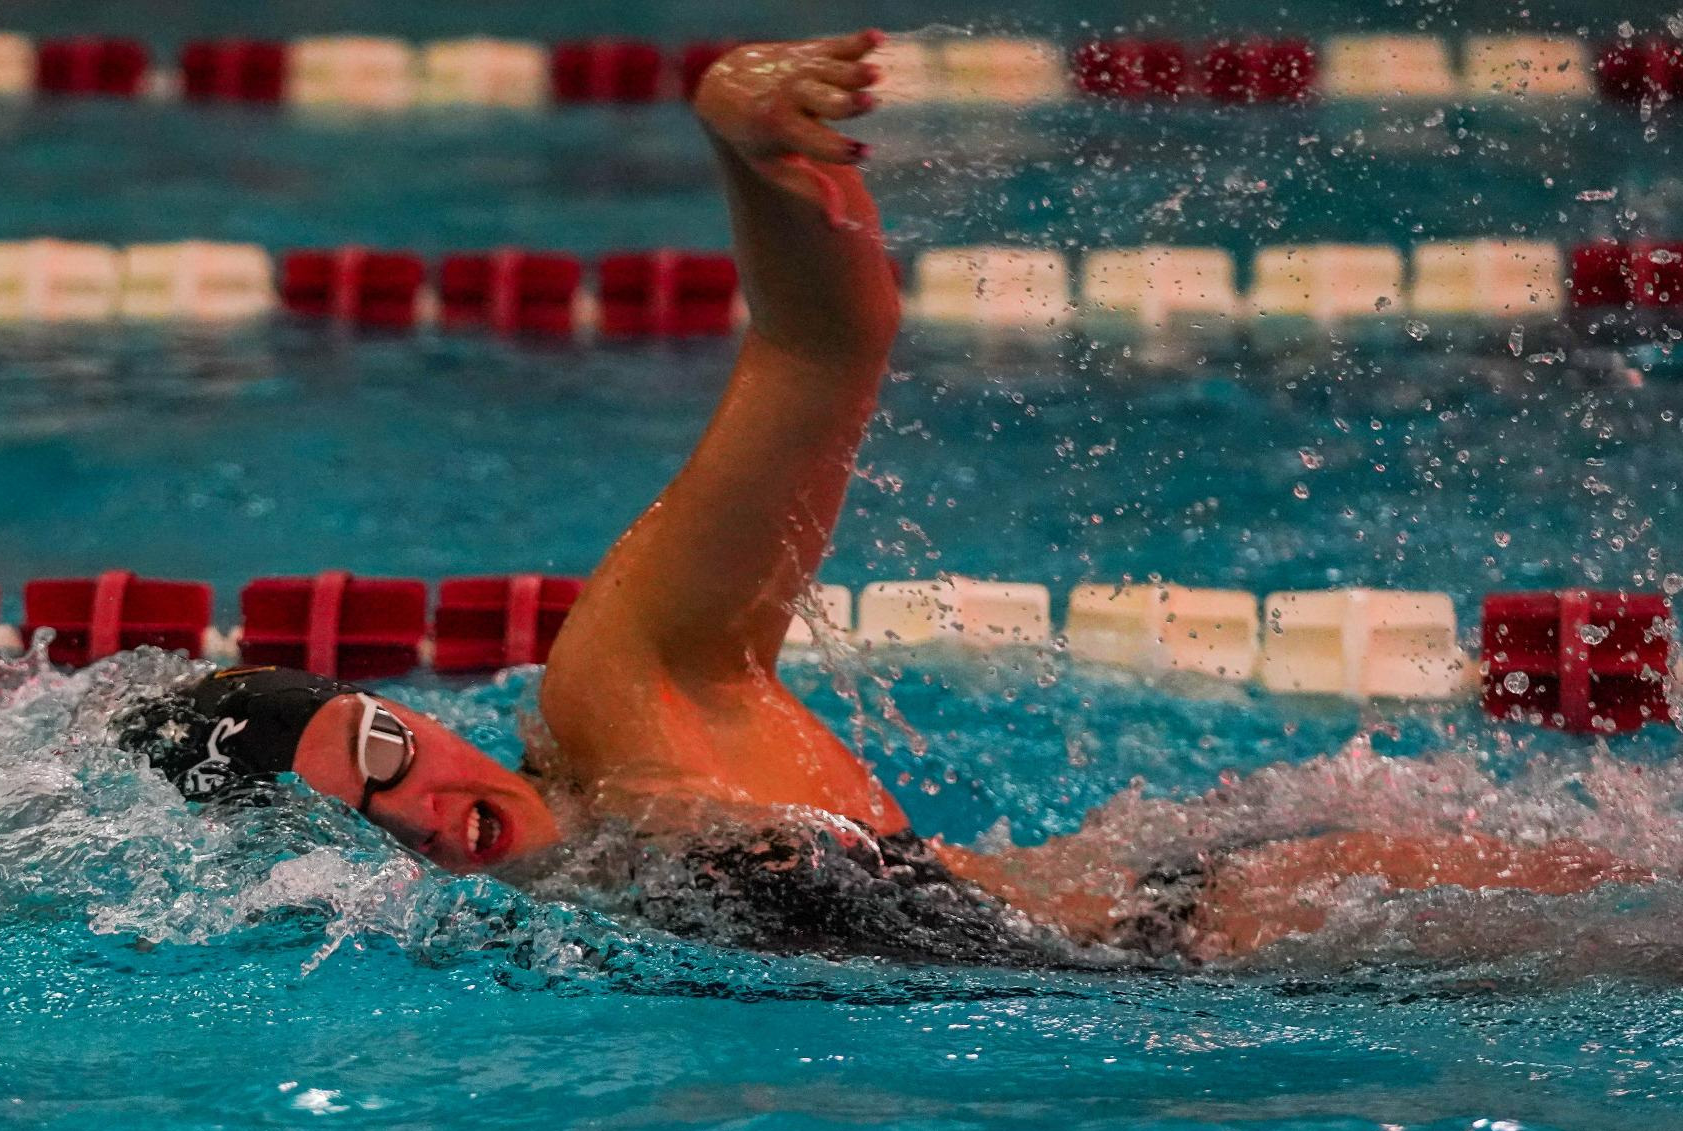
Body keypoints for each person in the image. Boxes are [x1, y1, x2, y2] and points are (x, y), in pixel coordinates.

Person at [120, 34, 1647, 965]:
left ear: (422, 714)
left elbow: (818, 343)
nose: (432, 810)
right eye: (370, 821)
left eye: (393, 748)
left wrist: (738, 139)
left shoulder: (631, 699)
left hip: (1243, 922)